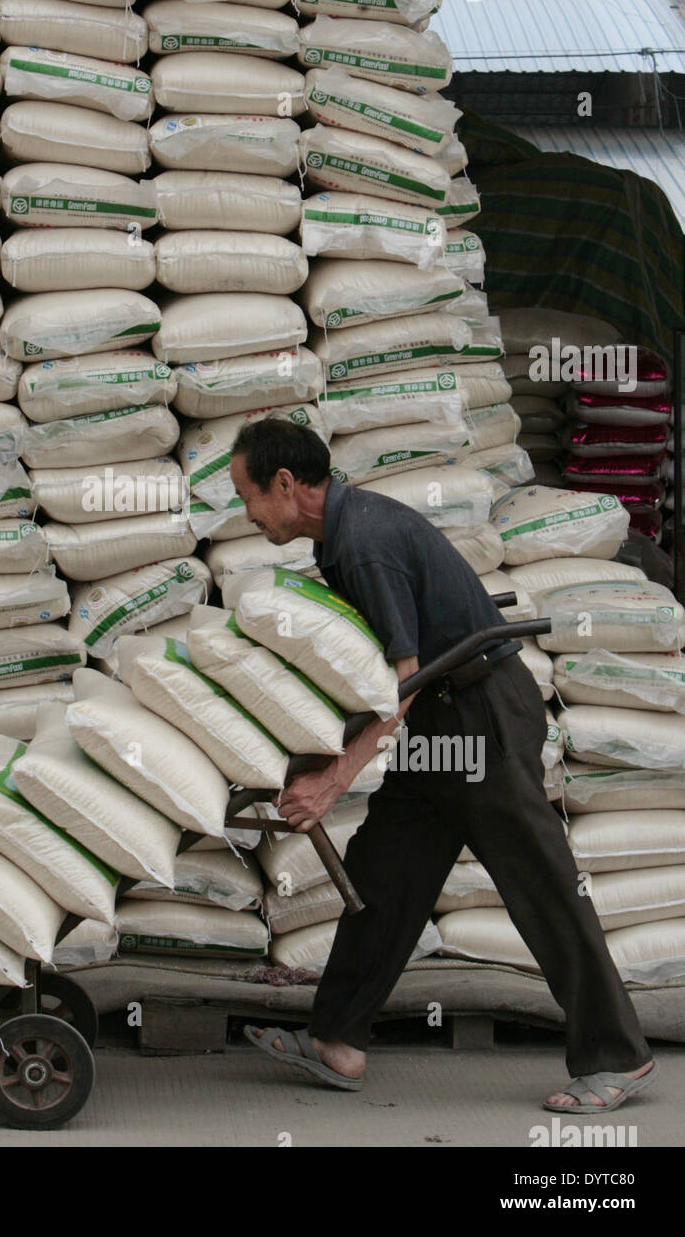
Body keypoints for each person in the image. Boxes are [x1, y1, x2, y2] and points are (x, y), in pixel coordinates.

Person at [230, 416, 656, 1114]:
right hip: (442, 719)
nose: (246, 514)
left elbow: (402, 680)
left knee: (540, 880)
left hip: (479, 714)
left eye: (247, 495)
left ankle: (621, 1057)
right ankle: (338, 1039)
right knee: (384, 871)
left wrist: (334, 779)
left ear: (284, 483)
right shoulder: (344, 534)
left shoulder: (362, 542)